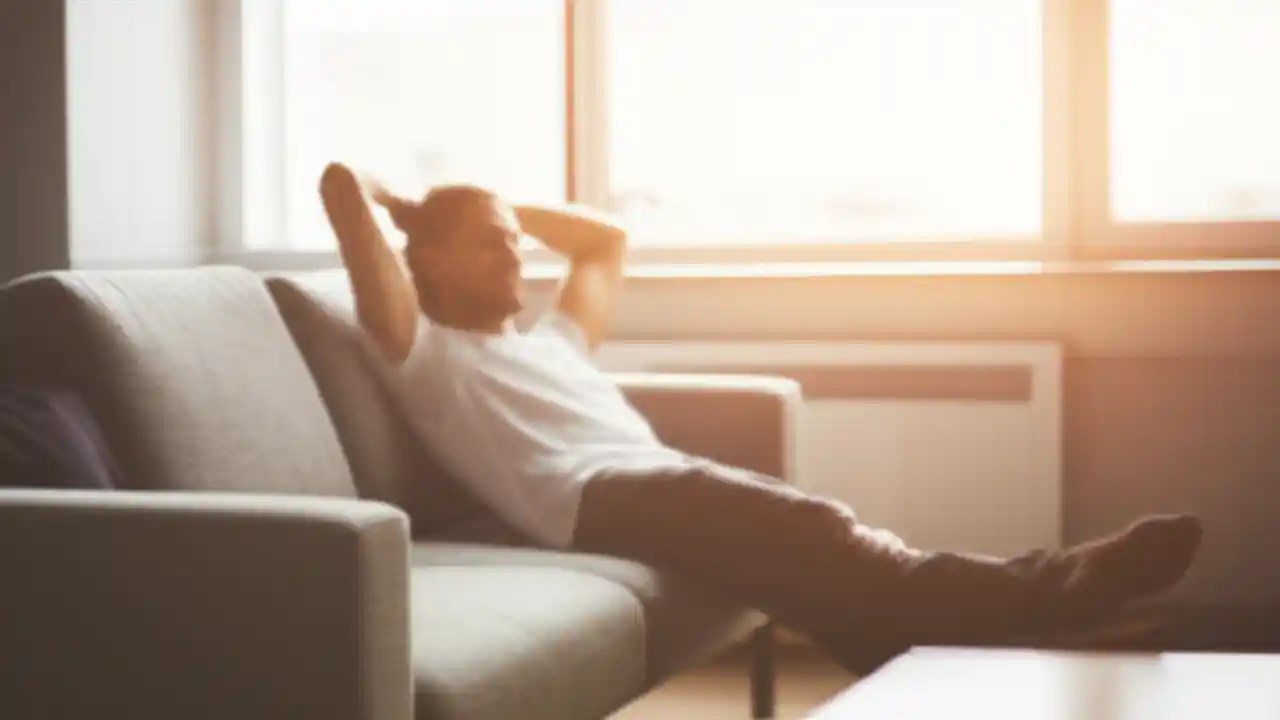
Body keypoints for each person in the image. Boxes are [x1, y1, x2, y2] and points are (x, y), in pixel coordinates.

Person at [318, 162, 1203, 674]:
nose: (514, 248)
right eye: (488, 240)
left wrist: (497, 200)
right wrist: (407, 206)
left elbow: (604, 241)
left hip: (645, 489)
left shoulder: (551, 343)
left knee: (828, 579)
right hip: (597, 500)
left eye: (514, 236)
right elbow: (340, 188)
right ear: (427, 262)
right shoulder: (423, 351)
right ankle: (1050, 589)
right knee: (813, 525)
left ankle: (1027, 631)